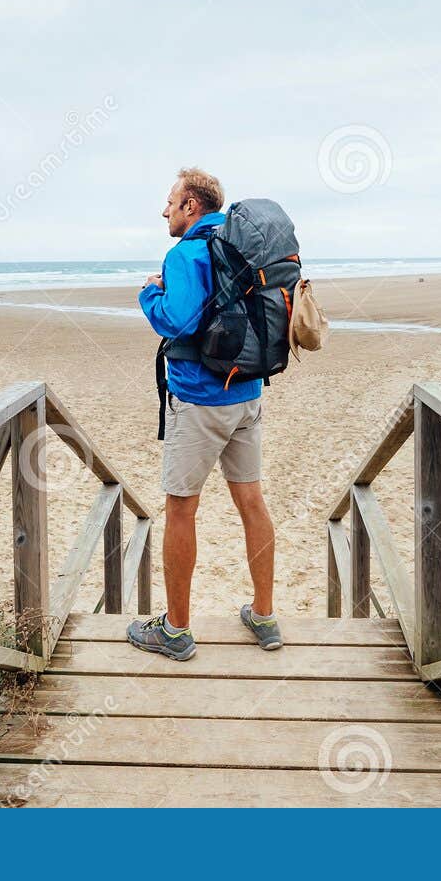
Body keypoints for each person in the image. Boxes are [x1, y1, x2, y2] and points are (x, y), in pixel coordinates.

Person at [127, 167, 281, 660]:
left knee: (180, 509)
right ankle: (264, 615)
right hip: (248, 394)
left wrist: (149, 292)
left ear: (192, 205)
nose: (165, 210)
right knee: (252, 502)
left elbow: (178, 319)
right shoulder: (239, 247)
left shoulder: (187, 252)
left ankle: (175, 630)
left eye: (171, 201)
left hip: (200, 400)